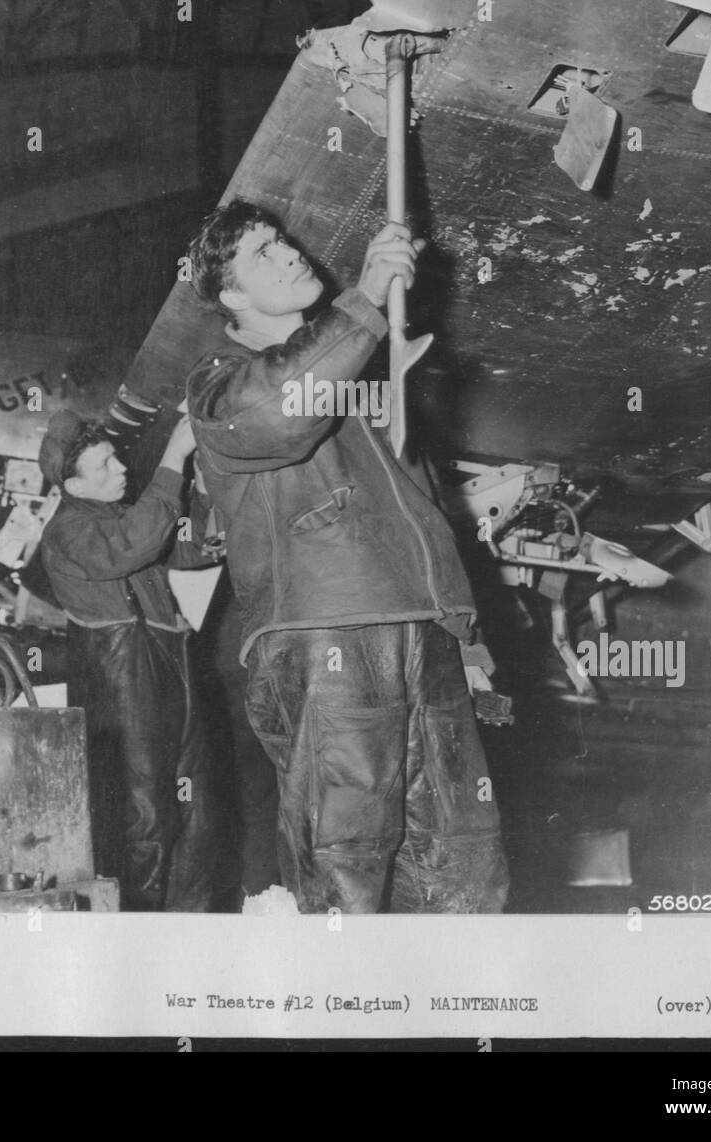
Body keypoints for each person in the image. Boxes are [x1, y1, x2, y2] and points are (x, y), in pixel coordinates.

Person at [185, 200, 510, 914]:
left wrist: (467, 633)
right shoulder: (219, 385)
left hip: (423, 627)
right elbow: (280, 412)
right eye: (261, 254)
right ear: (231, 296)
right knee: (347, 866)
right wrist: (364, 301)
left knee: (464, 864)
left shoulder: (355, 385)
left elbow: (418, 513)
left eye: (285, 240)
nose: (291, 253)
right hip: (328, 630)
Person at [38, 408, 220, 911]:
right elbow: (134, 546)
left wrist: (202, 490)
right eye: (104, 467)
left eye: (114, 457)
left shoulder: (120, 516)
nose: (120, 469)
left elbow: (187, 548)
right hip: (125, 686)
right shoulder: (68, 535)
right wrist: (172, 461)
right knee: (147, 820)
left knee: (196, 815)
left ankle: (190, 932)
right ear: (73, 486)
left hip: (168, 676)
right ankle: (139, 935)